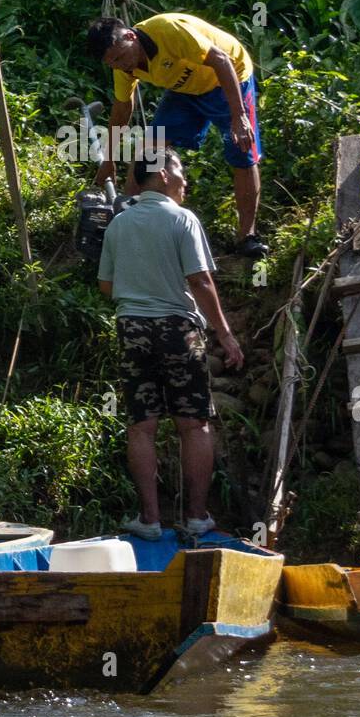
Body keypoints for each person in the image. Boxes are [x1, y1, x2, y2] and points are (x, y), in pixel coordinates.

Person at [98, 146, 244, 539]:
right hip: (178, 329)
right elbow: (200, 280)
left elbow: (106, 285)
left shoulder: (117, 225)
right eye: (180, 170)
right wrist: (225, 334)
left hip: (131, 329)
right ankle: (196, 517)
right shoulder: (182, 219)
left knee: (141, 427)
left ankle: (149, 520)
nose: (185, 178)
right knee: (194, 425)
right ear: (162, 175)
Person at [86, 12, 268, 258]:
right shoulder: (123, 67)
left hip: (227, 77)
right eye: (113, 64)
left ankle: (247, 236)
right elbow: (121, 111)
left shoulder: (169, 31)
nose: (121, 65)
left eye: (121, 57)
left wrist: (239, 117)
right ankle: (127, 222)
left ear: (130, 36)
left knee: (242, 151)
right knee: (148, 152)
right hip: (184, 89)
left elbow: (221, 60)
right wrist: (108, 162)